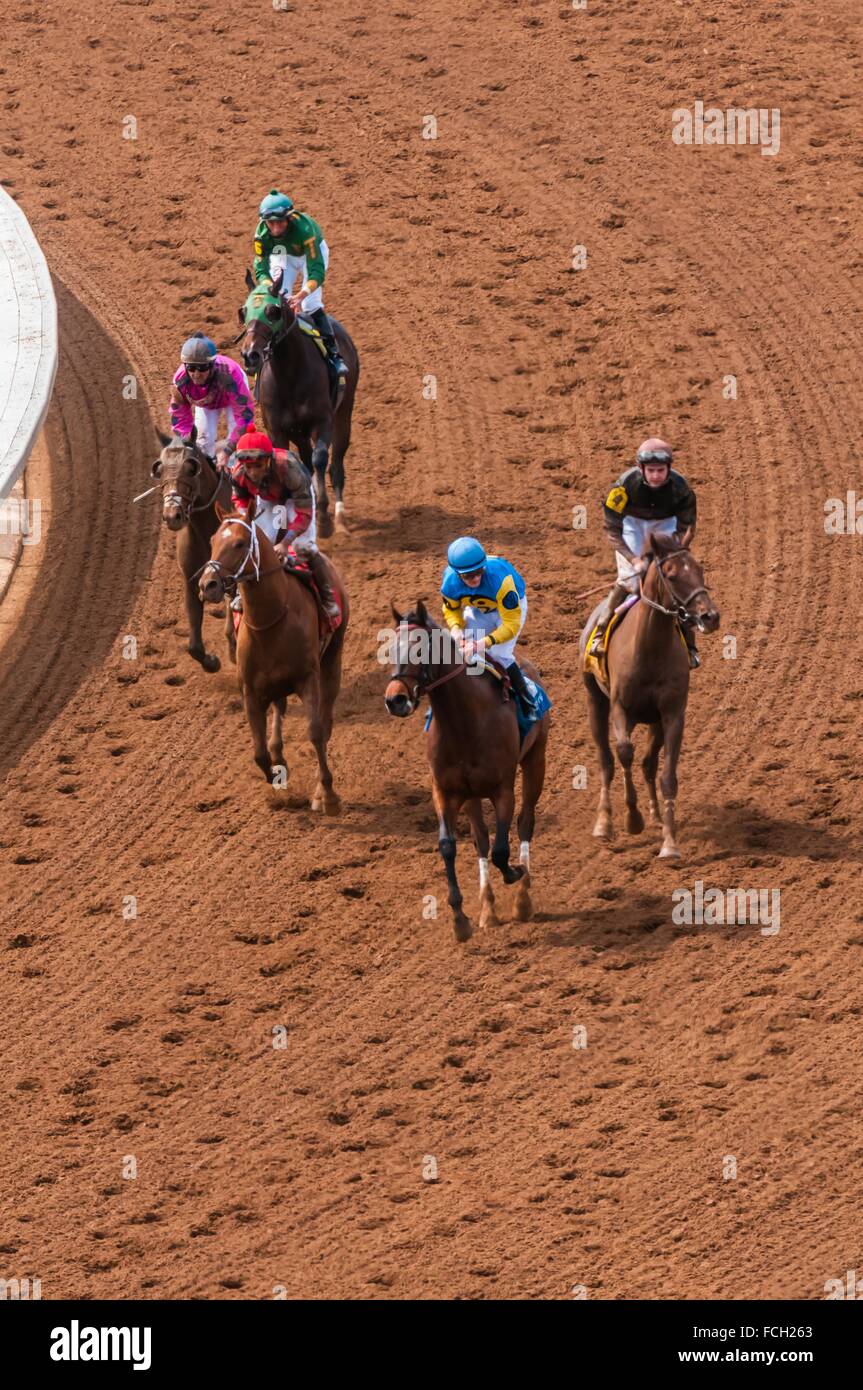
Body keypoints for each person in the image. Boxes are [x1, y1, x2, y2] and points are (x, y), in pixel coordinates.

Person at [589, 437, 700, 667]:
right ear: (641, 469)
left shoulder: (682, 489)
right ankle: (600, 631)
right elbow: (612, 529)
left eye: (661, 470)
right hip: (632, 525)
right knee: (629, 580)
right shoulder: (623, 487)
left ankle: (690, 646)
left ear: (669, 469)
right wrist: (633, 559)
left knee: (674, 582)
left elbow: (687, 527)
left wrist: (673, 551)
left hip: (665, 525)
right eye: (651, 471)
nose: (656, 475)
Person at [229, 429, 339, 625]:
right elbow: (240, 498)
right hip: (267, 500)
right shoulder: (238, 472)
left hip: (296, 500)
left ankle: (328, 598)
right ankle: (240, 592)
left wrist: (286, 542)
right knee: (253, 544)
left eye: (258, 465)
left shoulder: (290, 469)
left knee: (302, 547)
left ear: (269, 460)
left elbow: (303, 515)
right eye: (248, 466)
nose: (252, 472)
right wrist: (245, 517)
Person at [252, 190, 346, 378]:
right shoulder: (261, 234)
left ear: (289, 218)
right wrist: (271, 288)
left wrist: (302, 294)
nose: (276, 228)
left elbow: (316, 271)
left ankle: (334, 355)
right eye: (271, 223)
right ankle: (267, 354)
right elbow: (261, 269)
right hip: (282, 253)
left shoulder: (305, 230)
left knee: (310, 304)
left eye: (280, 222)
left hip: (309, 254)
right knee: (278, 300)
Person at [440, 536, 537, 713]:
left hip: (507, 613)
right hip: (479, 610)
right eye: (469, 576)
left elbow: (510, 626)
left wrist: (482, 644)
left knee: (500, 654)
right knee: (462, 654)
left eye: (479, 571)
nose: (476, 578)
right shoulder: (449, 583)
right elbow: (451, 609)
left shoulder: (501, 581)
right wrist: (455, 628)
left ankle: (527, 700)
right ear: (457, 574)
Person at [169, 333, 254, 459]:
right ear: (185, 366)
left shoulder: (230, 375)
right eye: (191, 367)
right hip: (206, 403)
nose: (196, 374)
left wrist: (228, 451)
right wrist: (187, 442)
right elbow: (179, 417)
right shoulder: (180, 382)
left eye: (202, 368)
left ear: (212, 365)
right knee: (202, 444)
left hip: (232, 398)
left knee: (239, 445)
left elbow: (244, 415)